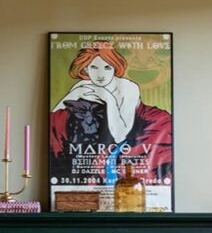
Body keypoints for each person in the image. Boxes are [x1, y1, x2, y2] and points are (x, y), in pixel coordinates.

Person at [50, 42, 173, 184]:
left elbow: (120, 134)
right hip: (104, 126)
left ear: (115, 68)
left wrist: (109, 100)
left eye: (107, 67)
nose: (100, 75)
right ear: (86, 70)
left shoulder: (129, 87)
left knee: (133, 163)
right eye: (94, 67)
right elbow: (53, 117)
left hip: (141, 125)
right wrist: (74, 94)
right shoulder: (82, 86)